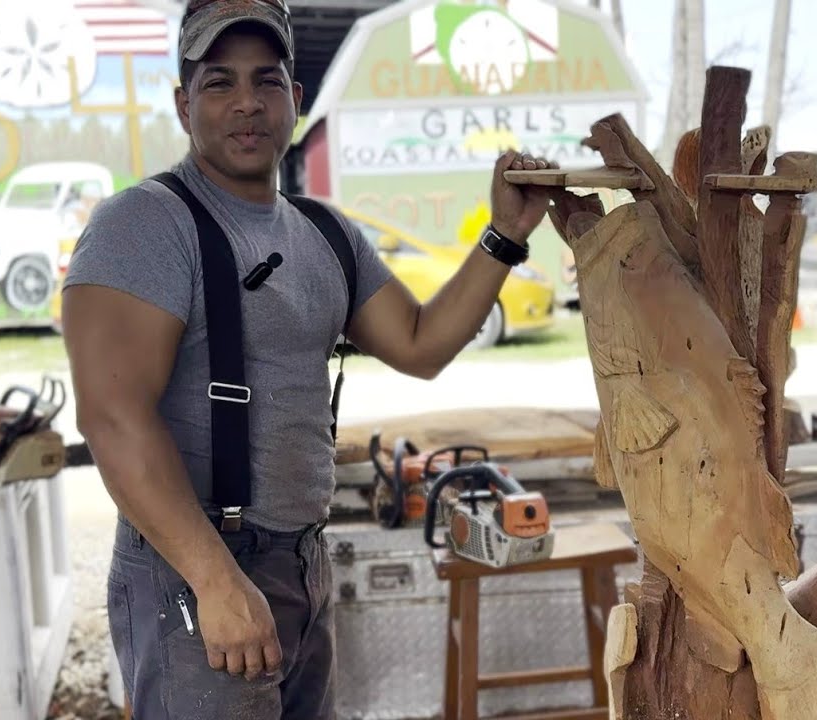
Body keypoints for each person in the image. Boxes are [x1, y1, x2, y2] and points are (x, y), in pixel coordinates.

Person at [59, 1, 557, 718]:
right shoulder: (142, 224)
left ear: (294, 99)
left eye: (266, 82)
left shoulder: (325, 232)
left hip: (303, 562)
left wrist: (505, 234)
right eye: (219, 83)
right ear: (182, 102)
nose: (246, 104)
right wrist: (217, 583)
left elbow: (420, 345)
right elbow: (113, 418)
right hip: (197, 570)